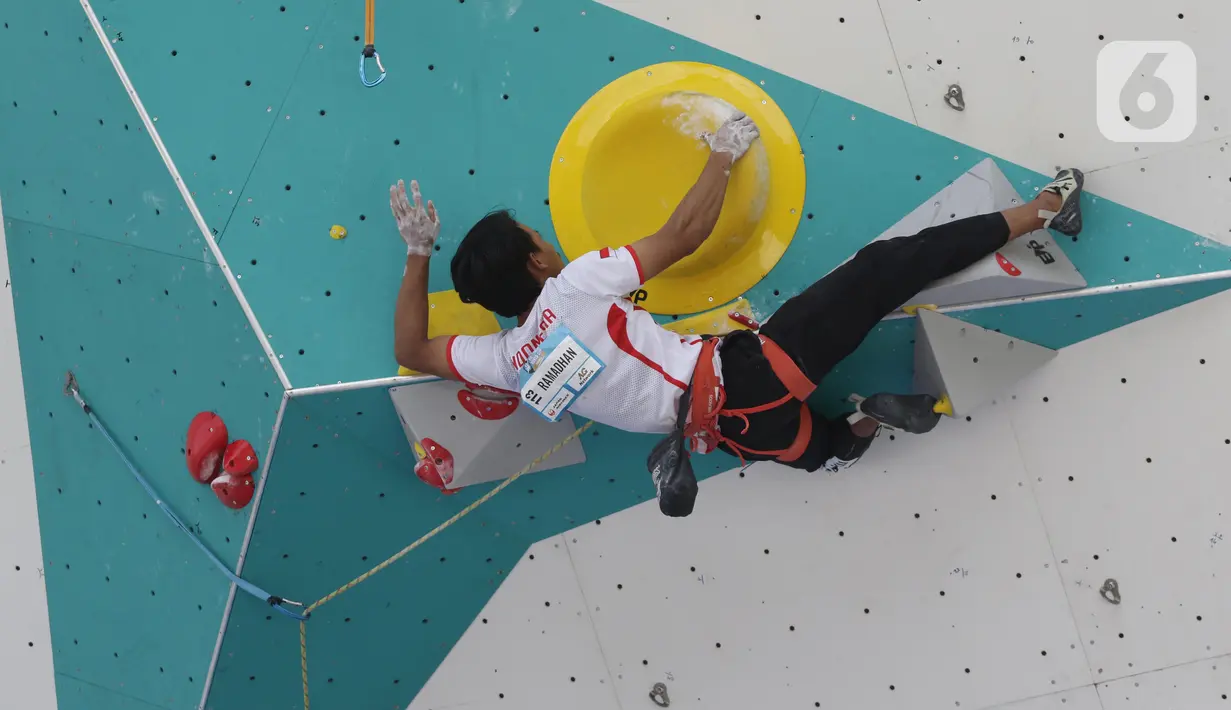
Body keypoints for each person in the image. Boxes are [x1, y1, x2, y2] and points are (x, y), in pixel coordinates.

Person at [390, 111, 1085, 517]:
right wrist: (722, 152)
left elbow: (415, 348)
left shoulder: (509, 361)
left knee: (824, 455)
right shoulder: (574, 285)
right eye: (537, 238)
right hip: (748, 373)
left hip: (730, 432)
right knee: (881, 271)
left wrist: (417, 255)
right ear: (536, 263)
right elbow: (683, 234)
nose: (547, 239)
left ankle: (869, 417)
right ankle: (1042, 211)